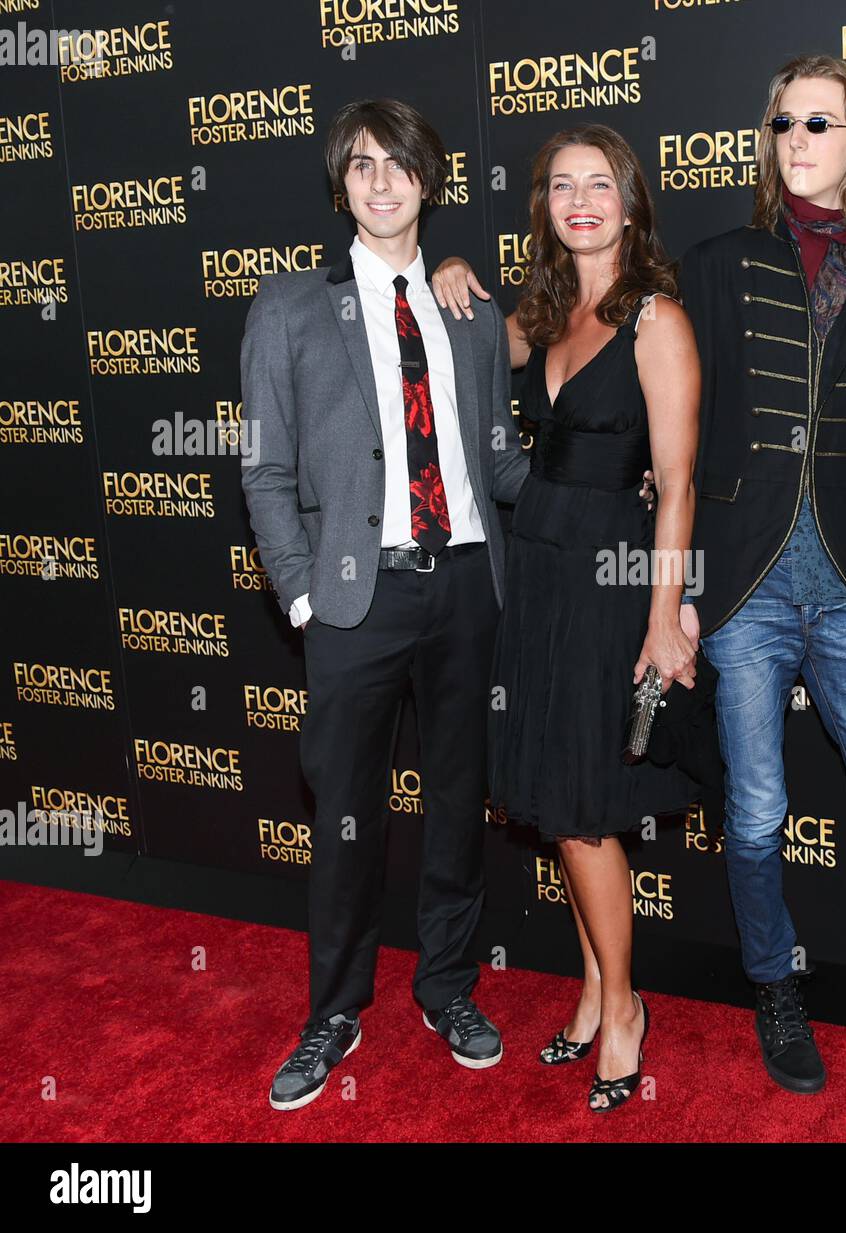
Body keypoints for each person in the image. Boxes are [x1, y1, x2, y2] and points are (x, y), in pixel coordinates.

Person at [240, 97, 532, 1110]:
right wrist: (305, 596)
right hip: (354, 602)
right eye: (360, 164)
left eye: (397, 163)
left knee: (457, 806)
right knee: (347, 820)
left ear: (429, 180)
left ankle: (448, 988)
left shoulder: (471, 308)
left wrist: (597, 504)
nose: (379, 180)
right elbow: (265, 470)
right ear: (341, 184)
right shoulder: (286, 308)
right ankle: (333, 1013)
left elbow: (496, 459)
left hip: (463, 589)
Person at [677, 54, 846, 1112]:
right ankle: (774, 986)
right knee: (754, 816)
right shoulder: (719, 263)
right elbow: (675, 439)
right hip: (743, 586)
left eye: (818, 123)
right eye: (782, 121)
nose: (796, 138)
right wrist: (682, 590)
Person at [435, 124, 703, 1113]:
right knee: (553, 795)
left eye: (600, 185)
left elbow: (675, 485)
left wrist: (665, 615)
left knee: (587, 812)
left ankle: (625, 1009)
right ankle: (594, 988)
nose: (580, 200)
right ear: (543, 206)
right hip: (537, 570)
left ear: (630, 203)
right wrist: (455, 268)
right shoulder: (546, 310)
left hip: (609, 577)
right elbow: (467, 336)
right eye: (561, 186)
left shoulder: (657, 320)